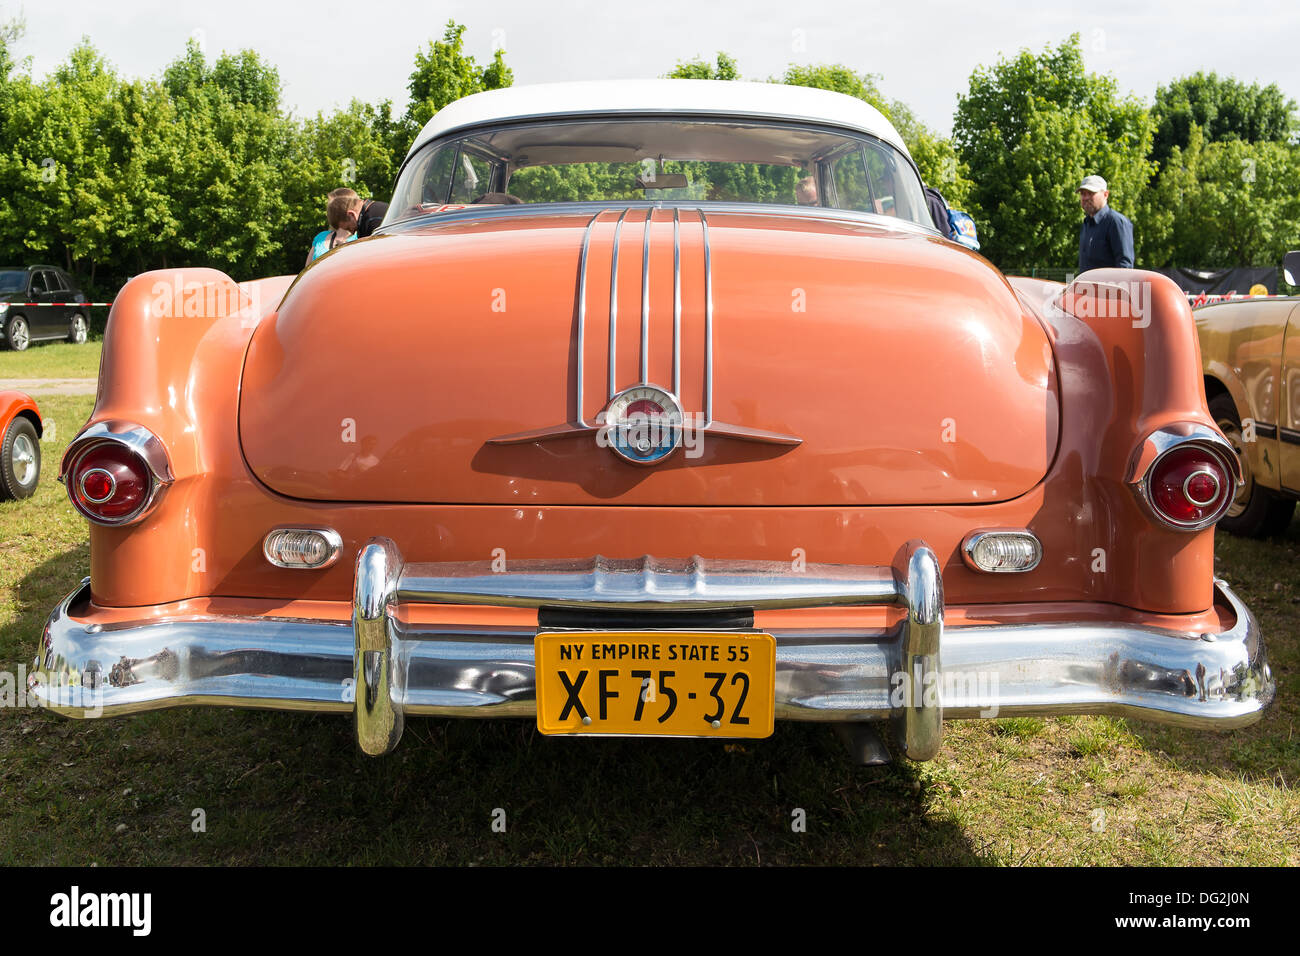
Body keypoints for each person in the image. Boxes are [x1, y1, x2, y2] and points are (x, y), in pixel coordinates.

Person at [1077, 174, 1134, 271]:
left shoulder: (1116, 222)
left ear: (1106, 194)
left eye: (1091, 193)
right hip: (1087, 285)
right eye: (1083, 193)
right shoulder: (1086, 223)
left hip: (1109, 285)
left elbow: (1125, 266)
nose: (1085, 198)